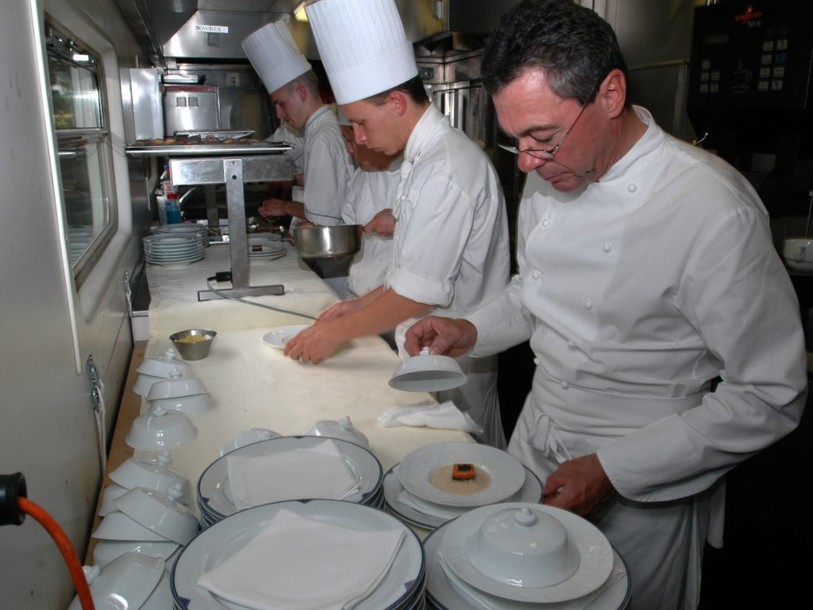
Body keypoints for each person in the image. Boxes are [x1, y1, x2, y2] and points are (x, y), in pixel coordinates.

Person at [403, 0, 807, 608]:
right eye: (517, 143)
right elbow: (532, 292)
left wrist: (614, 470)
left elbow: (769, 393)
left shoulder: (711, 208)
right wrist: (469, 329)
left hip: (644, 475)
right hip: (534, 445)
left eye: (543, 138)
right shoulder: (552, 172)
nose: (531, 163)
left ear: (611, 93)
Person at [285, 0, 512, 448]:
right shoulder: (422, 159)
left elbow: (419, 290)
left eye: (362, 123)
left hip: (456, 358)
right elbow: (411, 270)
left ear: (395, 102)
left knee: (466, 469)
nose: (360, 139)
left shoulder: (445, 166)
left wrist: (336, 331)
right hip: (429, 348)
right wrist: (355, 307)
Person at [242, 19, 352, 227]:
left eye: (281, 103)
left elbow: (320, 220)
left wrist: (288, 211)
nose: (279, 113)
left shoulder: (322, 138)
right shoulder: (315, 131)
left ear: (302, 92)